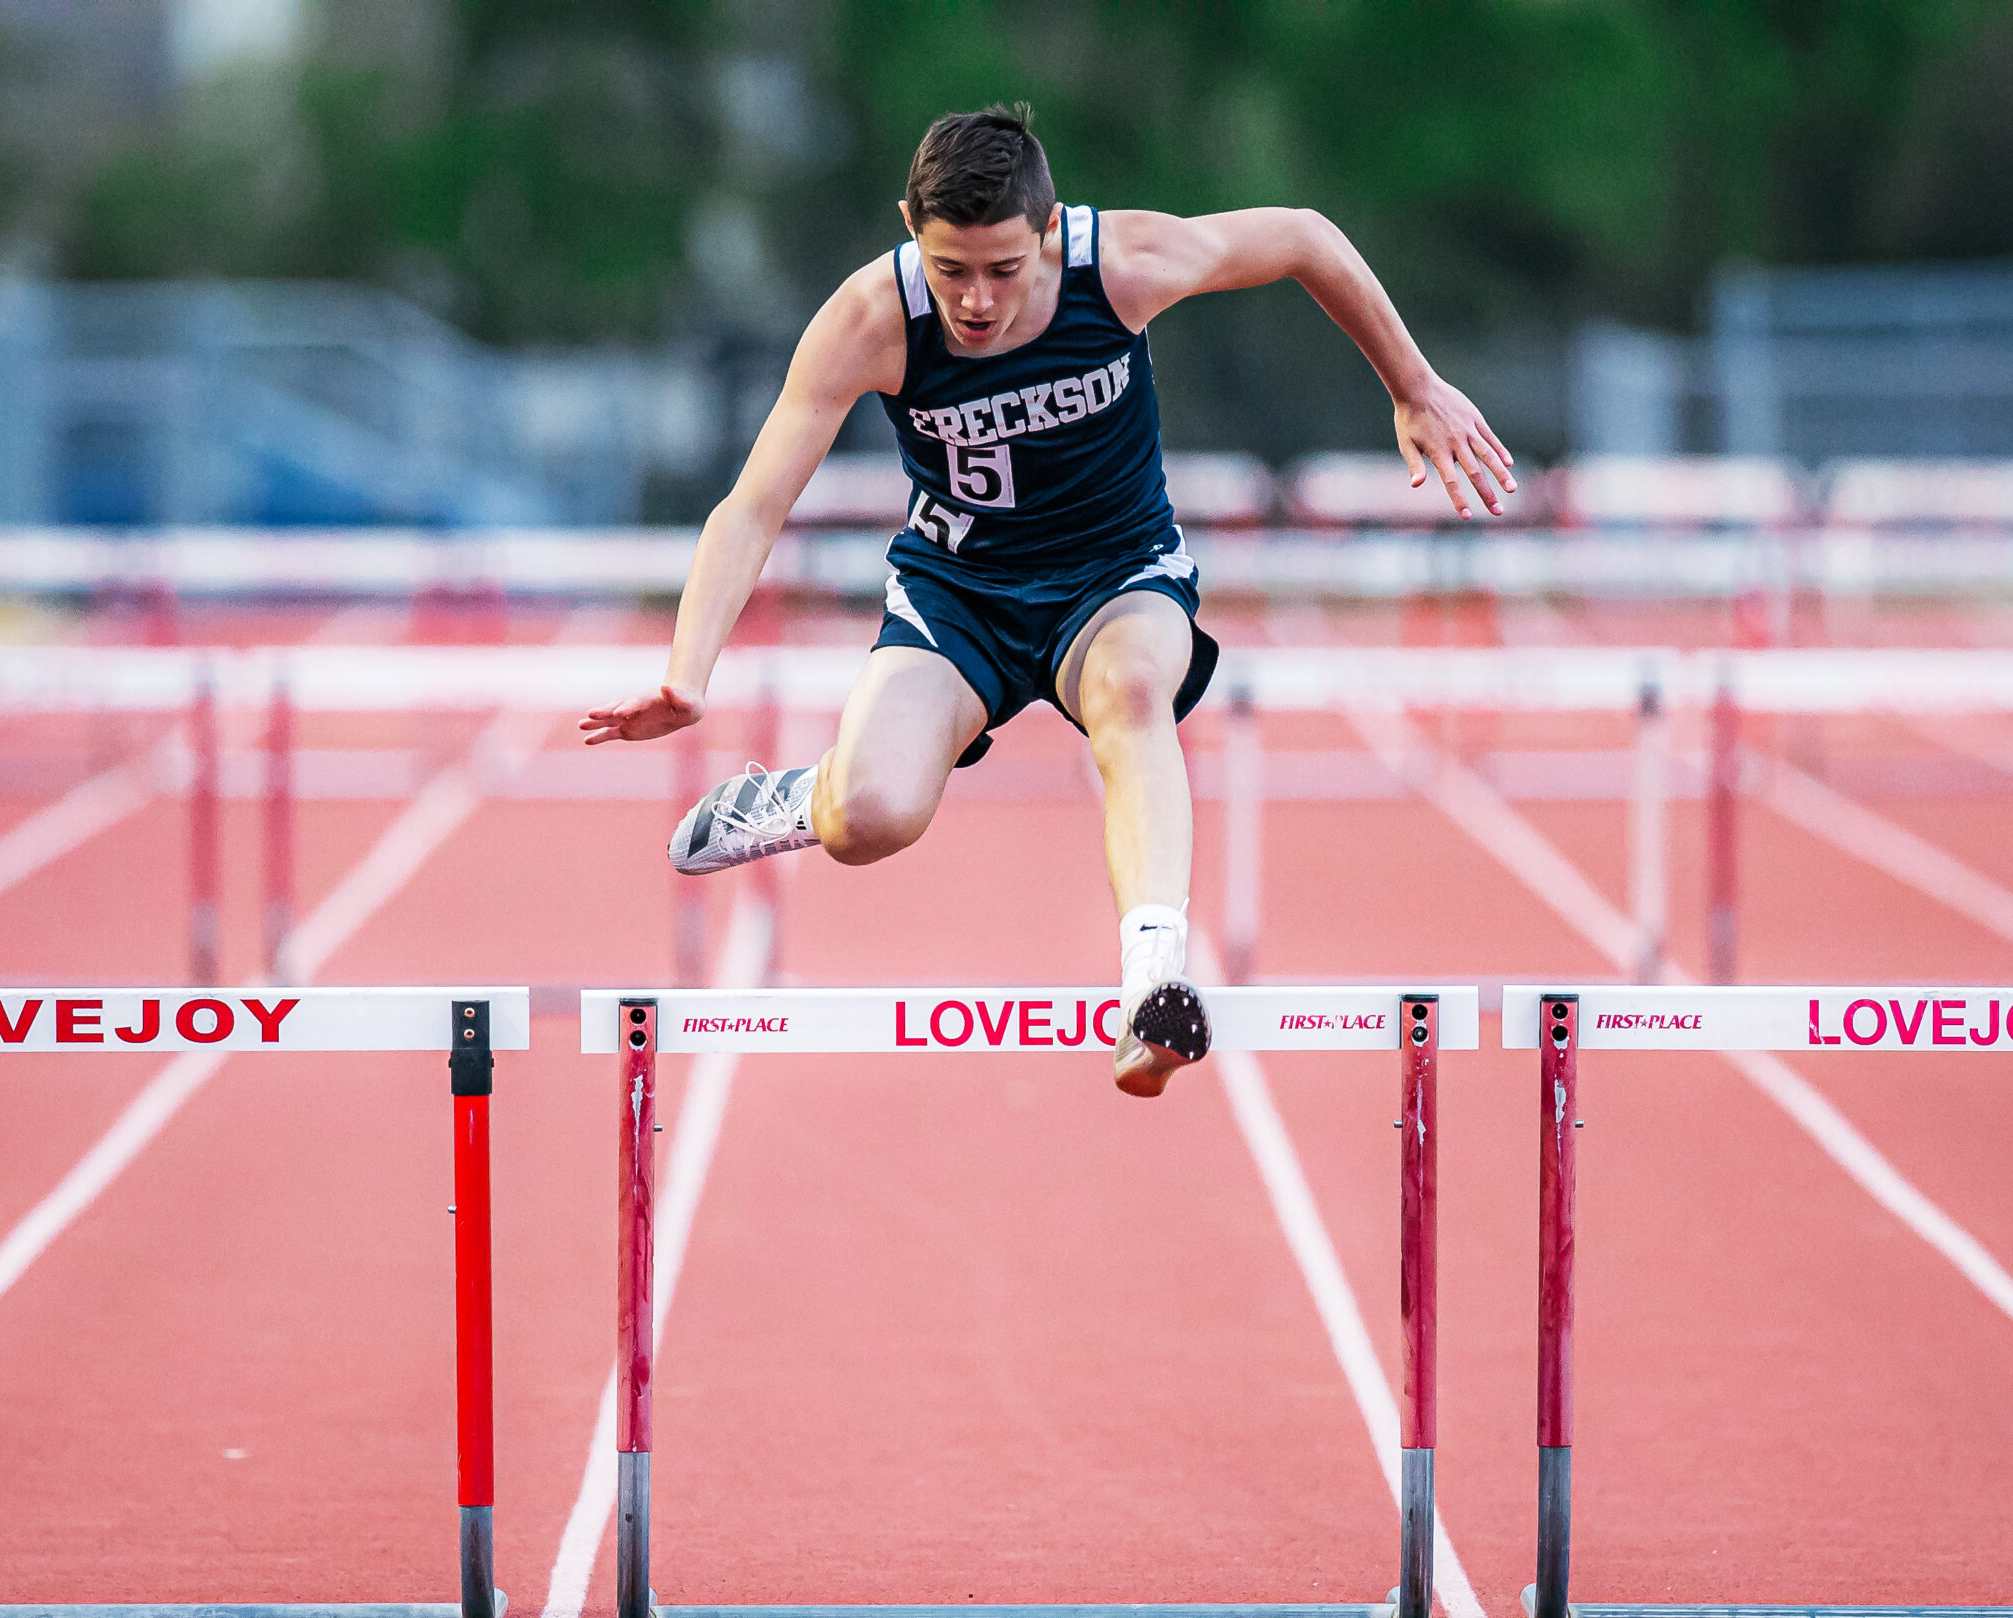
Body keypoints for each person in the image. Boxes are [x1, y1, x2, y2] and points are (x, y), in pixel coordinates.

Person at [582, 104, 1514, 1096]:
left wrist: (1412, 387)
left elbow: (1300, 236)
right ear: (910, 227)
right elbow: (754, 504)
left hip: (1116, 576)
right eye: (951, 270)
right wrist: (688, 675)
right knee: (874, 816)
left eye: (1003, 268)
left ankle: (1155, 982)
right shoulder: (868, 320)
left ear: (1050, 231)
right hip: (959, 595)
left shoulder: (1119, 267)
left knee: (1130, 694)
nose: (977, 301)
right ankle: (797, 799)